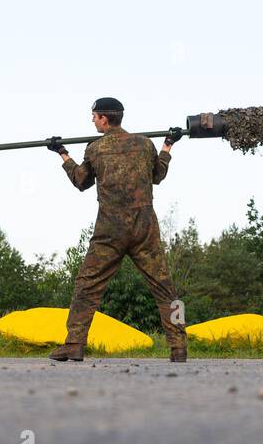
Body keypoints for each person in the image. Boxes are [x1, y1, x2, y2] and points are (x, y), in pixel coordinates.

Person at [47, 97, 188, 362]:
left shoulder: (95, 148)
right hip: (144, 228)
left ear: (103, 118)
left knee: (86, 287)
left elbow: (81, 181)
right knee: (166, 289)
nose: (92, 120)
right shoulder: (145, 144)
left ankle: (74, 343)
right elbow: (158, 175)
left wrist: (62, 153)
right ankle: (179, 346)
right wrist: (168, 146)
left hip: (110, 230)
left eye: (94, 116)